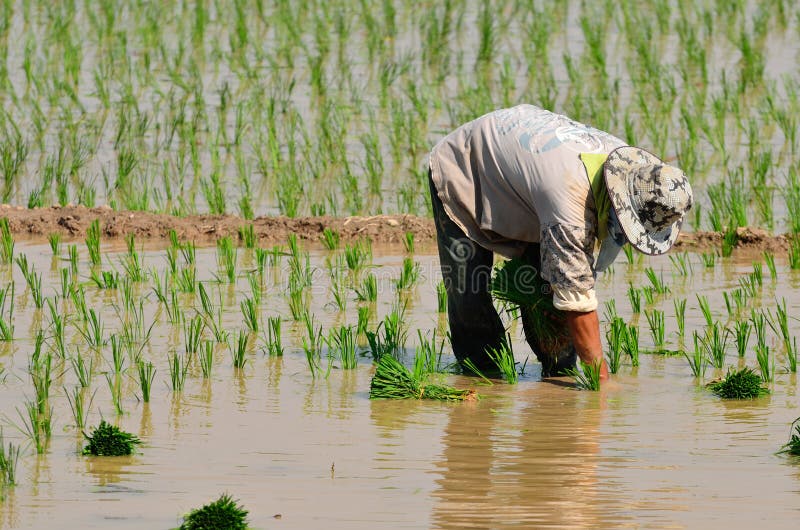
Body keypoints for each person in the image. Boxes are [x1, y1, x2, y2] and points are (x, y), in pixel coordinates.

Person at [427, 104, 693, 380]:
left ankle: (559, 373)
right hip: (464, 163)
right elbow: (577, 299)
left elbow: (565, 284)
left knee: (545, 292)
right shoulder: (571, 205)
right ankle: (483, 376)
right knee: (469, 288)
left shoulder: (633, 171)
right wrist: (600, 382)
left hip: (529, 179)